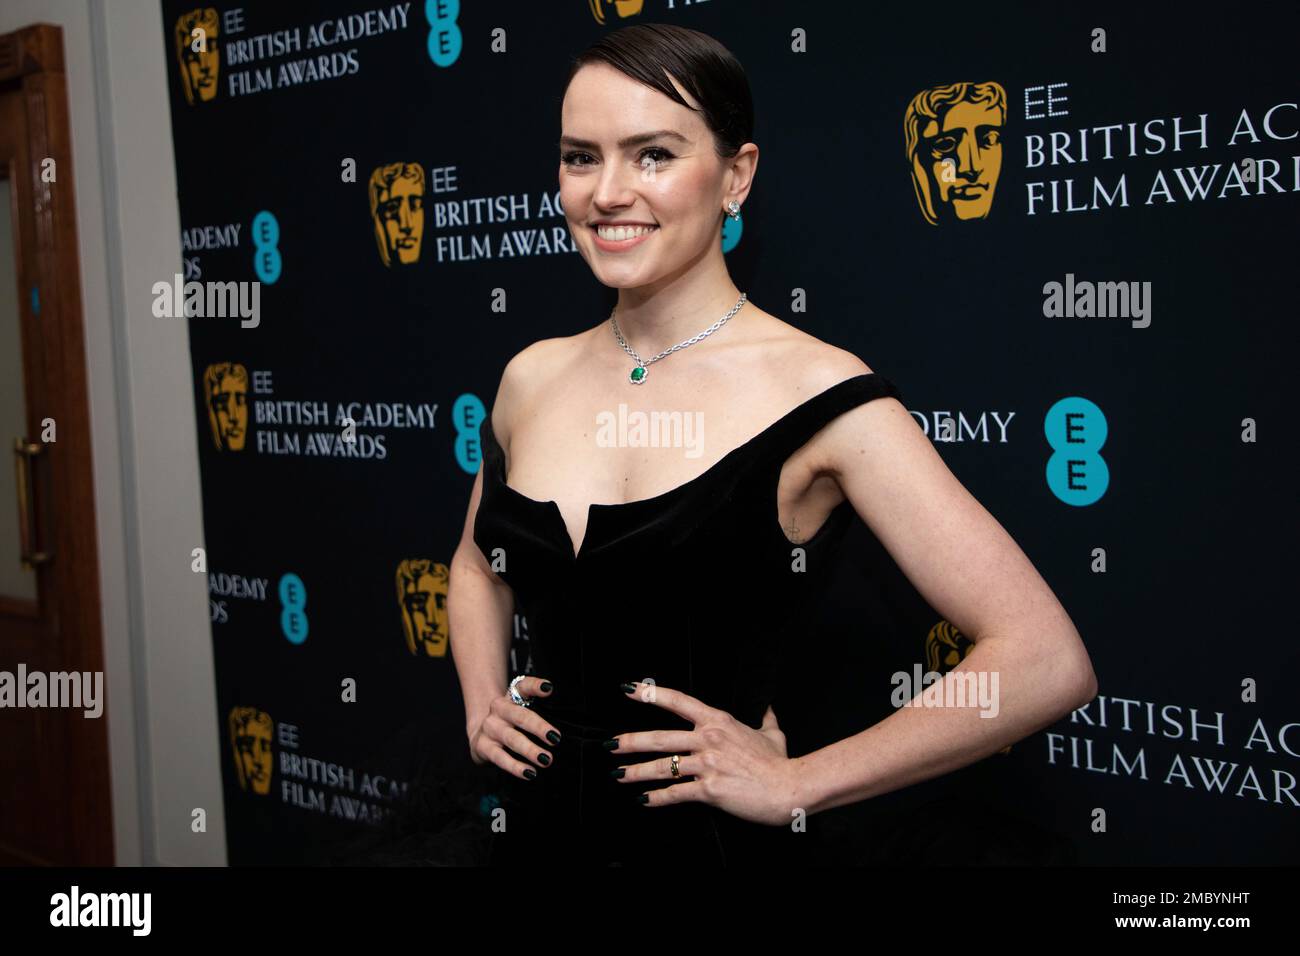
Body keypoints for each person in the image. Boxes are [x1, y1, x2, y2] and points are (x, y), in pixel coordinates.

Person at [446, 23, 1096, 867]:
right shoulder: (529, 377)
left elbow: (1045, 659)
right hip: (523, 837)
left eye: (652, 155)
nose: (607, 192)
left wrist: (801, 782)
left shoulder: (818, 392)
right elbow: (473, 563)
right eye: (580, 157)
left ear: (736, 176)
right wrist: (479, 702)